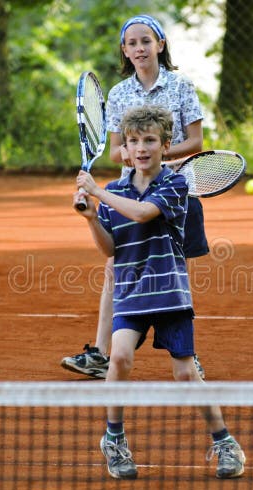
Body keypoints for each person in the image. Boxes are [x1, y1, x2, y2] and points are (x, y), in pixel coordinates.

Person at [73, 105, 245, 480]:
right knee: (118, 358)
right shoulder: (116, 190)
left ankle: (224, 441)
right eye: (133, 141)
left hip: (169, 294)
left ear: (165, 146)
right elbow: (109, 249)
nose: (141, 148)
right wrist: (91, 218)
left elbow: (143, 214)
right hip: (131, 293)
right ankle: (114, 439)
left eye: (150, 140)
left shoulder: (174, 185)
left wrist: (97, 192)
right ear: (125, 151)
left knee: (185, 375)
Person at [61, 14, 209, 380]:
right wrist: (131, 155)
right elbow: (114, 151)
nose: (139, 48)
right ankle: (100, 353)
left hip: (173, 191)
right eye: (132, 44)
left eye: (146, 41)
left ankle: (188, 355)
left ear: (160, 45)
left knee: (174, 271)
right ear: (125, 52)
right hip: (131, 193)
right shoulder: (119, 94)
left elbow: (196, 142)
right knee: (115, 267)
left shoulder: (181, 87)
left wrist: (157, 156)